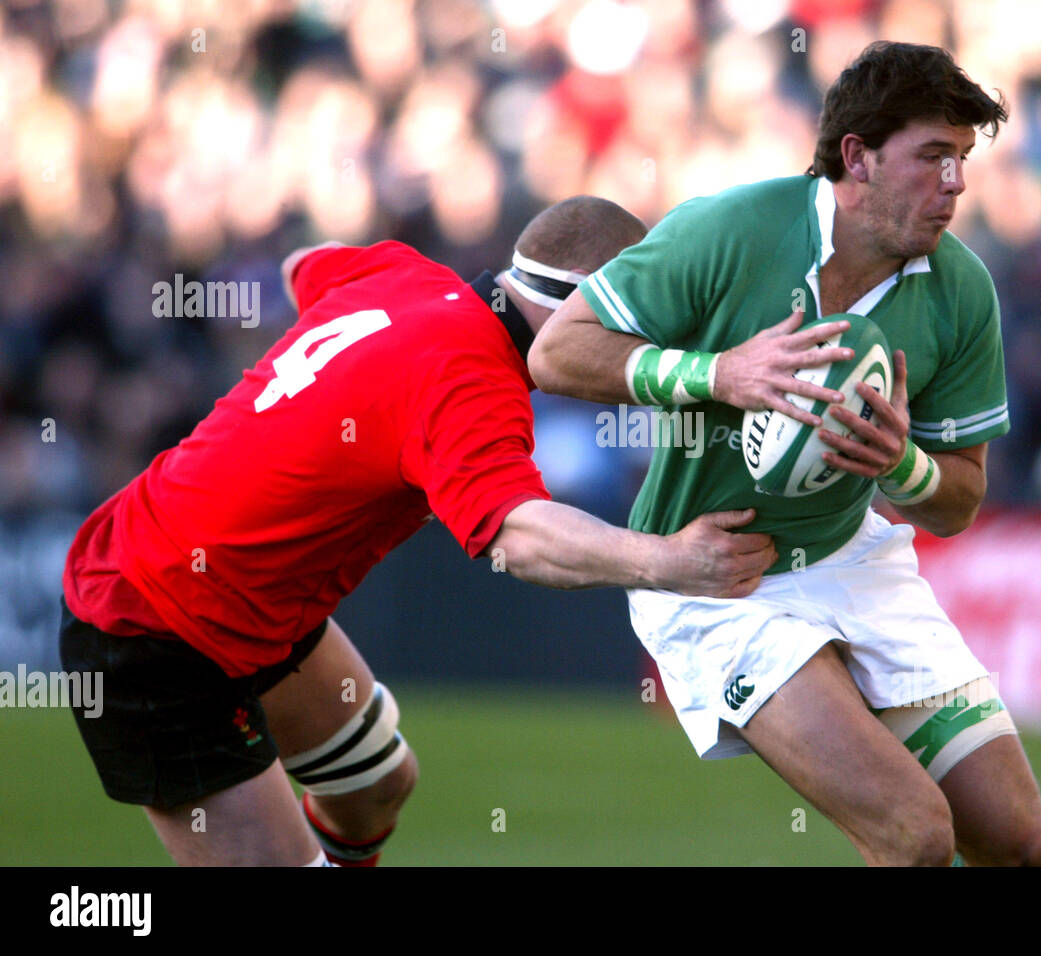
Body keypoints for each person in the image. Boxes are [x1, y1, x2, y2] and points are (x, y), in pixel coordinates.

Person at [59, 196, 777, 866]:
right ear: (586, 307)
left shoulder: (402, 272)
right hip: (154, 624)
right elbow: (520, 537)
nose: (631, 361)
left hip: (232, 589)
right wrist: (668, 561)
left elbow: (302, 267)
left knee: (376, 783)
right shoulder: (472, 379)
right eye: (633, 329)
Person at [529, 43, 1041, 866]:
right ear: (858, 156)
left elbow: (957, 503)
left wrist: (900, 464)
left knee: (1023, 844)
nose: (954, 182)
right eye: (931, 157)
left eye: (961, 158)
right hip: (718, 581)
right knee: (915, 835)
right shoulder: (730, 228)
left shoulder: (963, 291)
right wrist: (719, 373)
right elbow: (557, 352)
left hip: (857, 563)